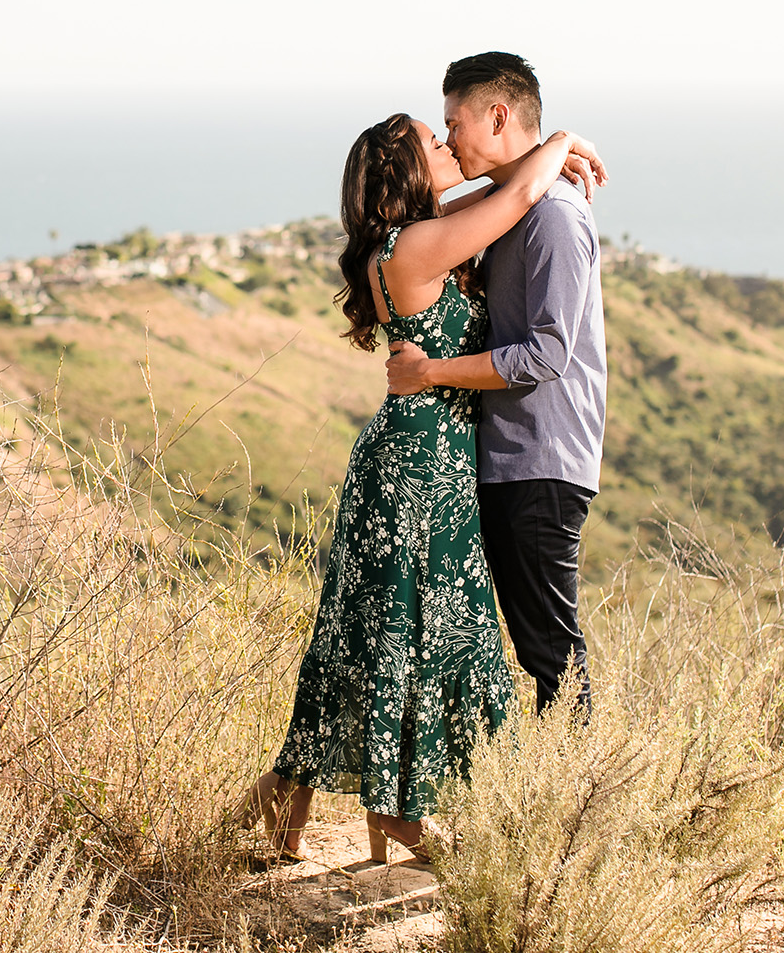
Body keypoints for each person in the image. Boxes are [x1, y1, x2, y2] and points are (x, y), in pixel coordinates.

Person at [242, 110, 606, 864]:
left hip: (420, 454)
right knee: (418, 630)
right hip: (419, 462)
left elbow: (505, 191)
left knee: (368, 634)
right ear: (407, 172)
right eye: (433, 142)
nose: (448, 147)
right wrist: (563, 139)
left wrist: (529, 156)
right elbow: (517, 197)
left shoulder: (413, 237)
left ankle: (292, 803)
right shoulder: (418, 243)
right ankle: (396, 819)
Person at [387, 53, 606, 724]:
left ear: (498, 115)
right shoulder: (517, 209)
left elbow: (546, 352)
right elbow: (455, 211)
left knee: (554, 661)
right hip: (511, 460)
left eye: (454, 122)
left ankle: (577, 815)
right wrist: (556, 144)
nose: (450, 139)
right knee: (543, 658)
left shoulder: (554, 218)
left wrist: (430, 372)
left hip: (539, 463)